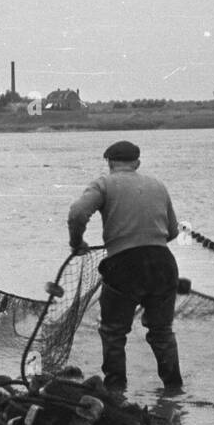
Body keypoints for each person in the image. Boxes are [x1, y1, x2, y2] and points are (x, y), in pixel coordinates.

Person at [67, 140, 183, 392]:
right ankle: (174, 389)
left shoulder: (104, 183)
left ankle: (116, 392)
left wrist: (77, 243)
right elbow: (172, 231)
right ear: (137, 163)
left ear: (109, 163)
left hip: (124, 265)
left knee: (113, 332)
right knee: (162, 332)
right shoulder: (157, 185)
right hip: (163, 263)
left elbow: (77, 213)